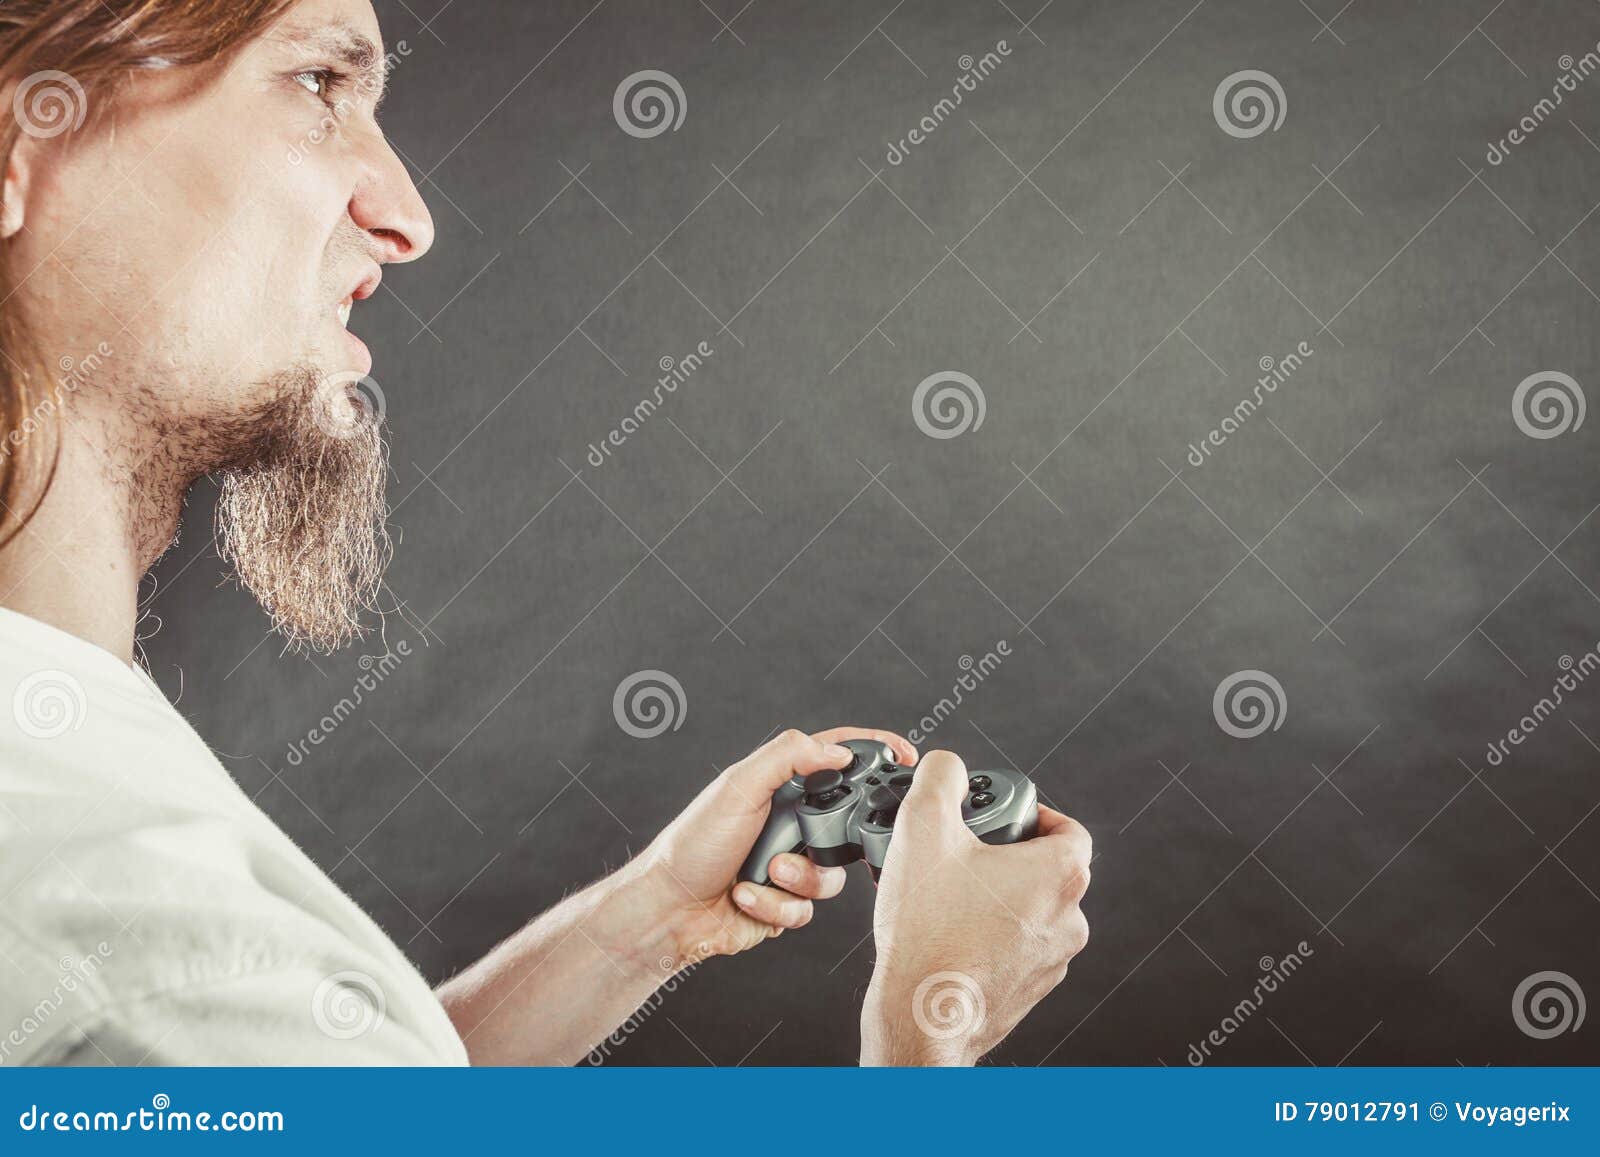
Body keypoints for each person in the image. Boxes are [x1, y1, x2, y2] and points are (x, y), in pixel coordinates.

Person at [0, 0, 1090, 1066]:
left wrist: (645, 921)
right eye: (318, 83)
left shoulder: (66, 759)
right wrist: (931, 1024)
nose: (407, 217)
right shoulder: (159, 980)